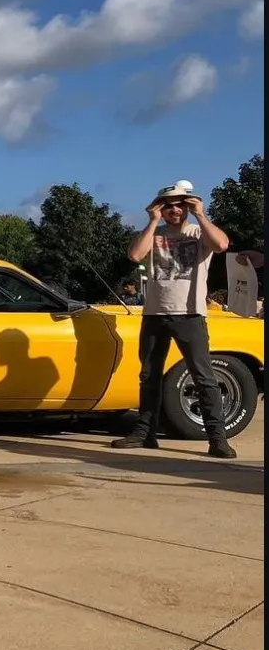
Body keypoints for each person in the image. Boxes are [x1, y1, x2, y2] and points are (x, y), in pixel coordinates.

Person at [111, 180, 234, 458]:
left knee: (204, 377)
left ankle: (217, 438)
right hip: (155, 313)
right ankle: (145, 432)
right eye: (168, 206)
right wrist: (153, 220)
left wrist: (201, 214)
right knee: (149, 375)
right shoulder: (155, 231)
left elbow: (222, 244)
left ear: (188, 206)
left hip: (190, 314)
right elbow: (135, 254)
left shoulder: (197, 230)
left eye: (180, 205)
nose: (174, 210)